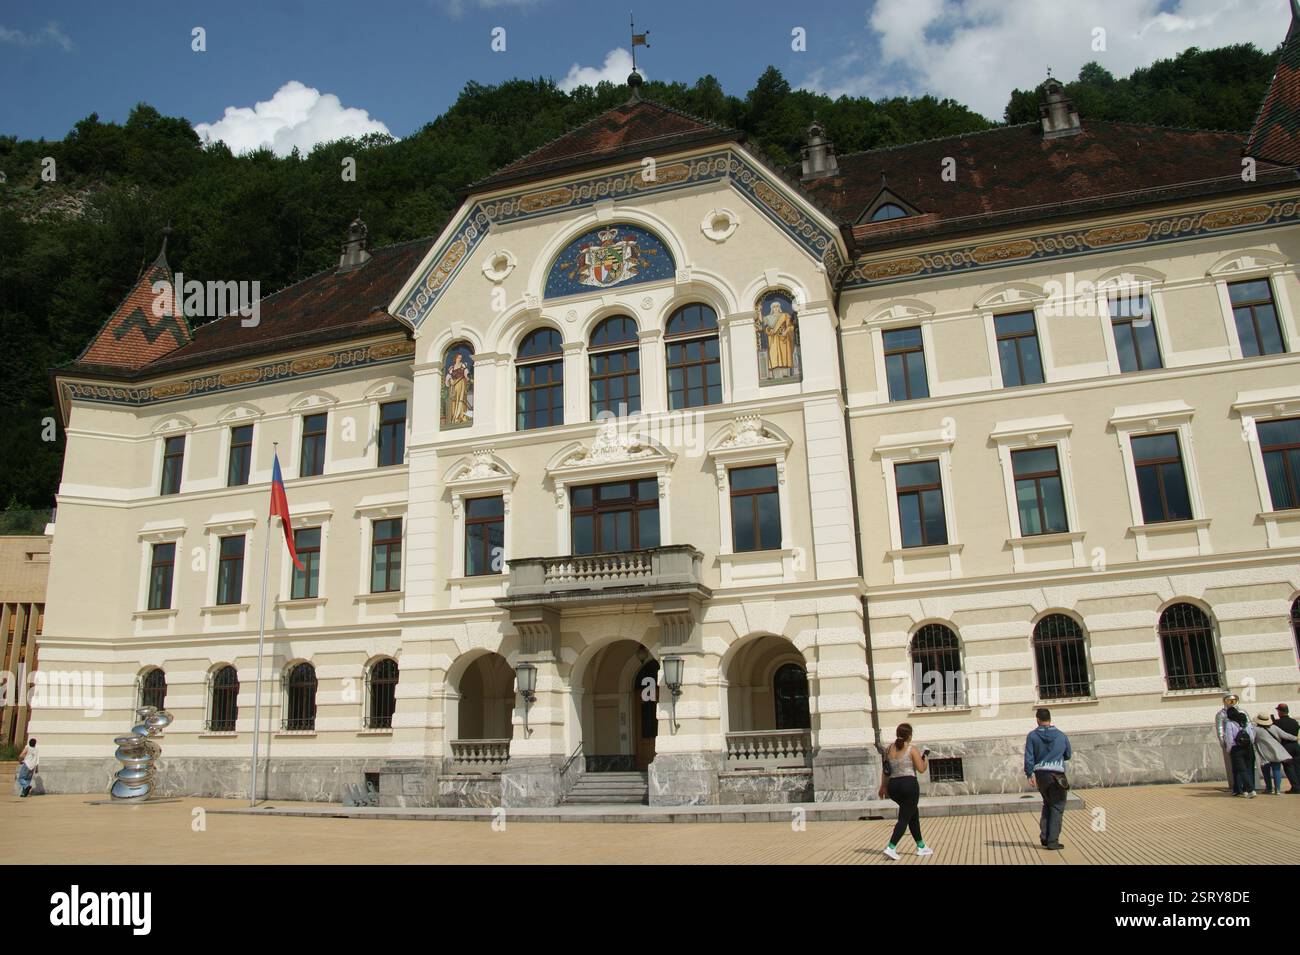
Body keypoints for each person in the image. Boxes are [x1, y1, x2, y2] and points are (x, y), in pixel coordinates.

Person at [876, 722, 933, 860]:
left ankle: (921, 846)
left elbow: (886, 770)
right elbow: (921, 769)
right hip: (909, 786)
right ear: (909, 735)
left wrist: (883, 786)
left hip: (893, 787)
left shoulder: (888, 749)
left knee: (912, 813)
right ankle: (891, 847)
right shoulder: (911, 749)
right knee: (904, 818)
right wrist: (925, 760)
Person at [1024, 708, 1072, 850]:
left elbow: (1029, 757)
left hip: (1041, 776)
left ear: (1037, 719)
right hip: (1057, 776)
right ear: (1050, 719)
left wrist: (1029, 774)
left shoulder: (1032, 736)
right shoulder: (1061, 736)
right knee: (1057, 807)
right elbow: (1068, 755)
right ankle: (1052, 841)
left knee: (1047, 804)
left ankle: (1045, 837)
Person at [1253, 713, 1296, 795]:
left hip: (1264, 754)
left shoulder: (1255, 730)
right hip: (1276, 752)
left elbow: (1252, 739)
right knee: (1276, 770)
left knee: (1266, 772)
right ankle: (1278, 790)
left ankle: (1269, 788)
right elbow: (1285, 735)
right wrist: (1295, 738)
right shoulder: (1274, 727)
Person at [1224, 707, 1257, 798]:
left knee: (1241, 770)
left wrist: (1229, 750)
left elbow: (1229, 739)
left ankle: (1250, 790)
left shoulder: (1230, 724)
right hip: (1248, 748)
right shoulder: (1245, 723)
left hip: (1237, 749)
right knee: (1248, 769)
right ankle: (1247, 789)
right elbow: (1252, 737)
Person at [1215, 693, 1240, 792]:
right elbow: (1220, 729)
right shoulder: (1222, 714)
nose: (1231, 703)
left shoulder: (1241, 712)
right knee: (1233, 766)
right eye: (1229, 701)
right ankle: (1236, 785)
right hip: (1230, 743)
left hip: (1242, 744)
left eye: (1233, 701)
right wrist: (1222, 742)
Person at [1275, 704, 1300, 793]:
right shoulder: (1294, 721)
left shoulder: (1277, 723)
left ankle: (1295, 787)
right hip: (1296, 746)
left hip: (1285, 746)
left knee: (1289, 767)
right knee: (1297, 767)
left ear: (1280, 712)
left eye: (1278, 711)